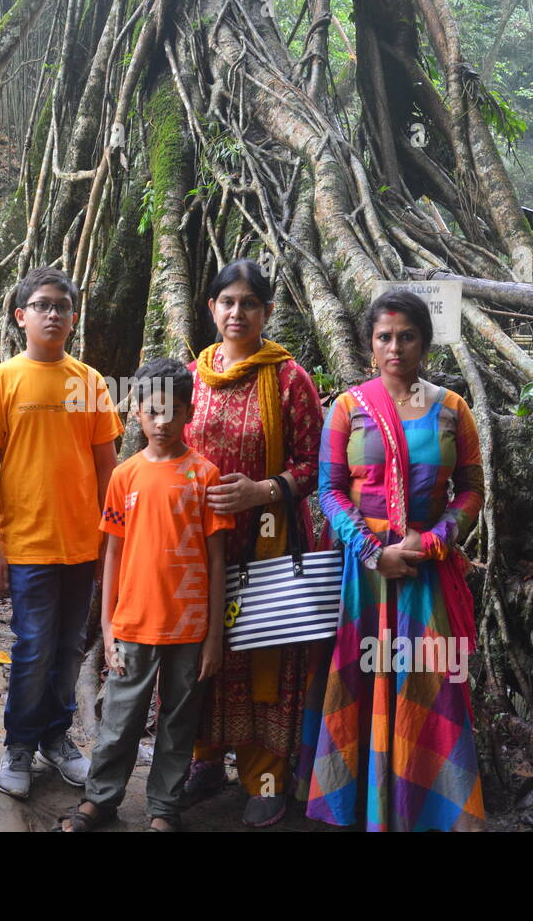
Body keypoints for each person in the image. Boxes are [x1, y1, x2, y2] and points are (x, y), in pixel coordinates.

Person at [302, 288, 485, 831]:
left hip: (425, 568)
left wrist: (434, 542)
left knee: (428, 684)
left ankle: (430, 810)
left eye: (407, 336)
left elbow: (472, 489)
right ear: (369, 344)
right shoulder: (347, 408)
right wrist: (372, 551)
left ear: (425, 342)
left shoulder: (453, 409)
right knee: (361, 680)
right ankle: (361, 806)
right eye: (385, 337)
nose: (396, 347)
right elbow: (329, 489)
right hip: (364, 573)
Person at [0, 267, 124, 799]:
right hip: (27, 544)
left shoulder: (89, 382)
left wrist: (111, 543)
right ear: (21, 316)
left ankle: (57, 740)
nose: (52, 313)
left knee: (70, 648)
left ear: (74, 317)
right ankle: (18, 744)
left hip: (83, 543)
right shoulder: (1, 380)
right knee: (33, 647)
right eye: (41, 305)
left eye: (62, 305)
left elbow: (109, 470)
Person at [58, 358, 233, 832]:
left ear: (189, 413)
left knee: (178, 724)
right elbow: (112, 554)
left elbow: (216, 559)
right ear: (136, 412)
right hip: (134, 623)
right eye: (152, 411)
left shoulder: (205, 476)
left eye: (173, 411)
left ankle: (163, 808)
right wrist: (110, 627)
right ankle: (101, 799)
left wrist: (213, 636)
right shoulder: (124, 476)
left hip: (190, 626)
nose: (162, 421)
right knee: (119, 720)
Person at [180, 258, 325, 828]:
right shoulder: (195, 374)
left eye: (249, 303)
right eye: (227, 302)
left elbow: (318, 466)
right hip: (200, 546)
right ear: (212, 308)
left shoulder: (289, 378)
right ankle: (203, 760)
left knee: (265, 652)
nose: (237, 312)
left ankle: (266, 774)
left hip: (268, 542)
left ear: (266, 311)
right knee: (201, 653)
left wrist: (263, 491)